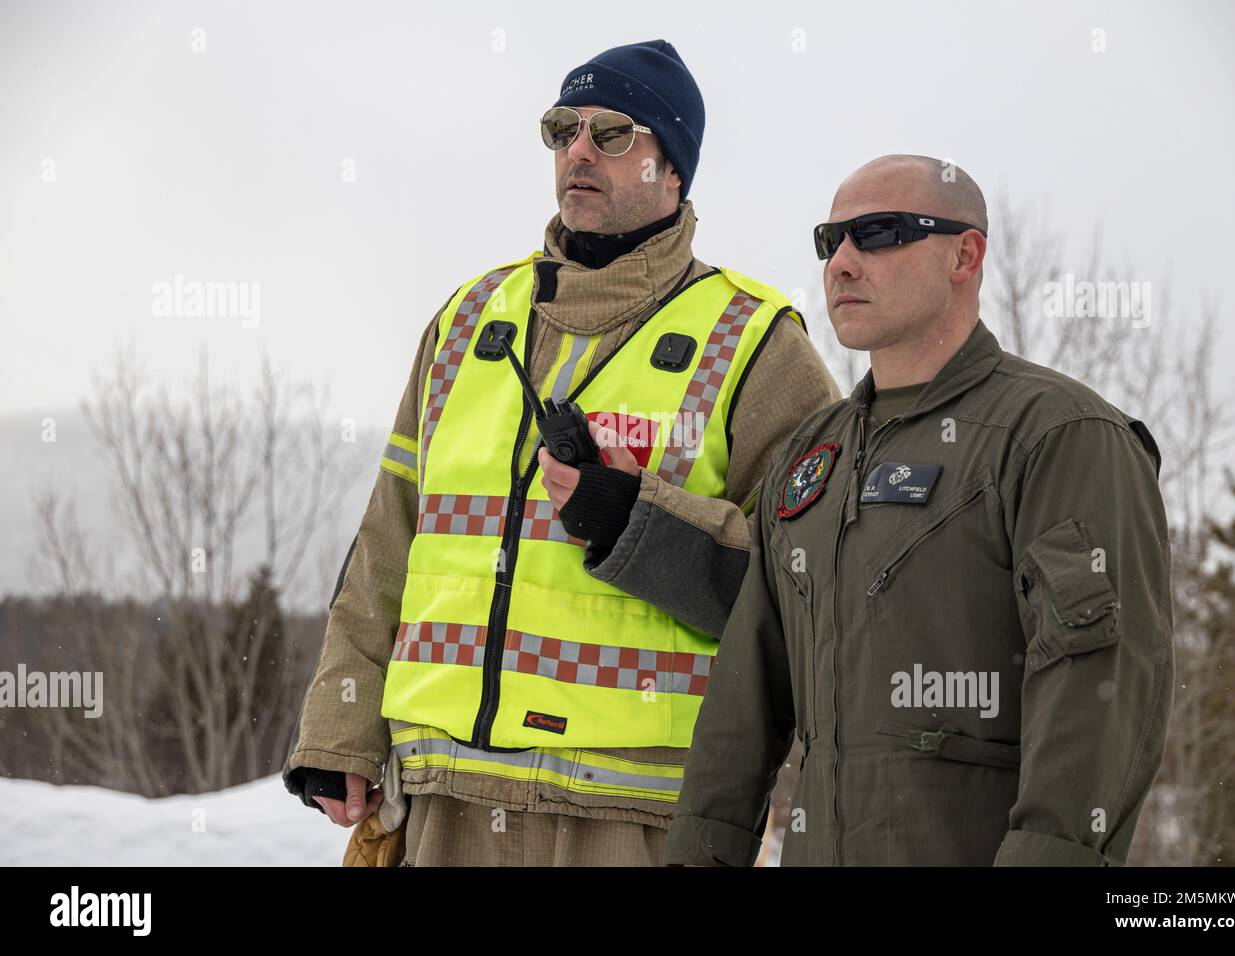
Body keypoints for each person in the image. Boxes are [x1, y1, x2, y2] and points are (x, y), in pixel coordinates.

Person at [281, 39, 841, 866]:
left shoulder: (755, 342)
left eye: (611, 134)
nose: (578, 151)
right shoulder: (468, 320)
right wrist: (341, 725)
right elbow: (386, 544)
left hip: (635, 813)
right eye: (561, 129)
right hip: (444, 798)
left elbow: (808, 588)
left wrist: (637, 521)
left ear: (673, 169)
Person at [664, 154, 1174, 866]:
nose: (842, 263)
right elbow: (743, 701)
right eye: (830, 240)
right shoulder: (810, 457)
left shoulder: (1058, 435)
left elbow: (1098, 686)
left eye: (879, 233)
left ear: (965, 255)